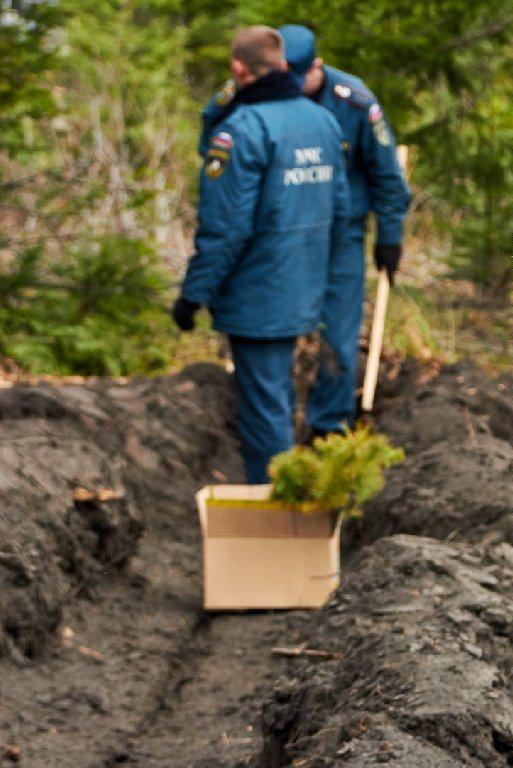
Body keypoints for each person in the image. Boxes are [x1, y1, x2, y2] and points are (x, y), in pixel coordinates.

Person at [202, 24, 413, 440]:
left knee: (337, 331)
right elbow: (213, 131)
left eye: (302, 78)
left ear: (317, 66)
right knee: (267, 323)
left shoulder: (354, 102)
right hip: (279, 232)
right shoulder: (246, 92)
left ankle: (328, 429)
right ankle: (270, 421)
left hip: (339, 234)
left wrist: (390, 235)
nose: (292, 88)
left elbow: (388, 177)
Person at [174, 26, 352, 483]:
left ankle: (277, 515)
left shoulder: (243, 131)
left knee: (264, 411)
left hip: (260, 294)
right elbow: (341, 209)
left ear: (238, 68)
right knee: (276, 397)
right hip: (304, 287)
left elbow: (224, 228)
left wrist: (193, 295)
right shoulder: (322, 121)